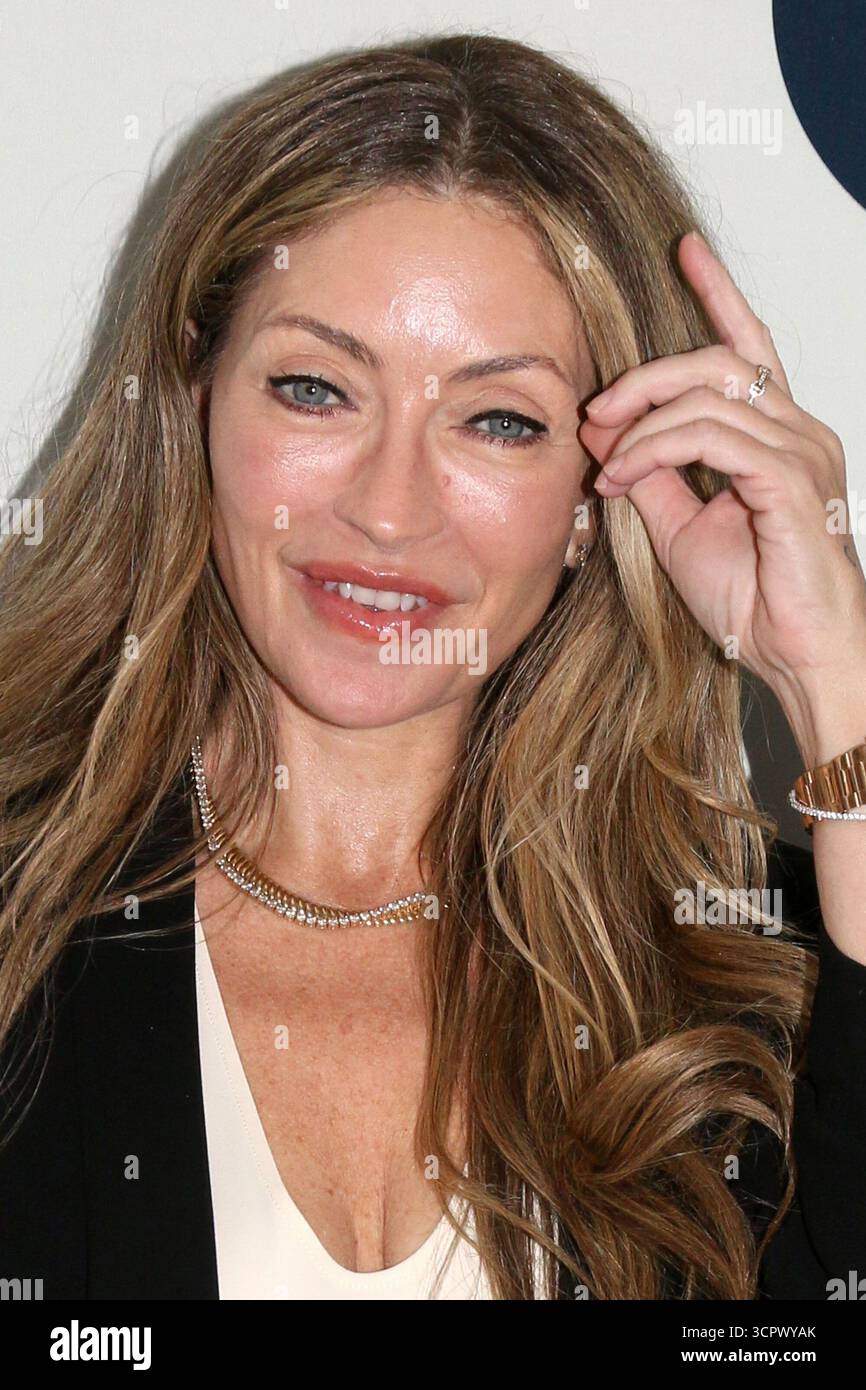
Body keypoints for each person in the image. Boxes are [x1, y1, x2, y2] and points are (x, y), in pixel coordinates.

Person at [1, 32, 865, 1302]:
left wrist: (832, 681)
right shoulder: (23, 912)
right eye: (315, 389)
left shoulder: (746, 979)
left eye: (497, 420)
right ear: (194, 397)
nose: (388, 509)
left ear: (598, 499)